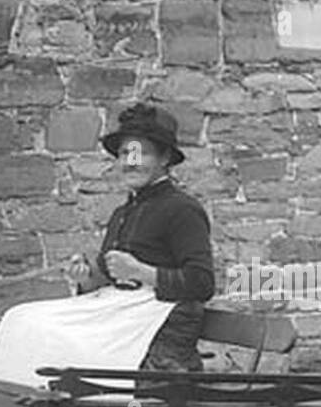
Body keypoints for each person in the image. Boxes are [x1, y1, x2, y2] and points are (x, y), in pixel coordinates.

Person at [69, 103, 215, 372]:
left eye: (141, 153)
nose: (130, 162)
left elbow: (202, 282)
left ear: (165, 159)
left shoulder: (182, 209)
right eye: (125, 154)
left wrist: (141, 271)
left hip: (161, 339)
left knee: (49, 337)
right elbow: (111, 280)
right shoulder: (121, 214)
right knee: (23, 322)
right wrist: (87, 279)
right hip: (122, 322)